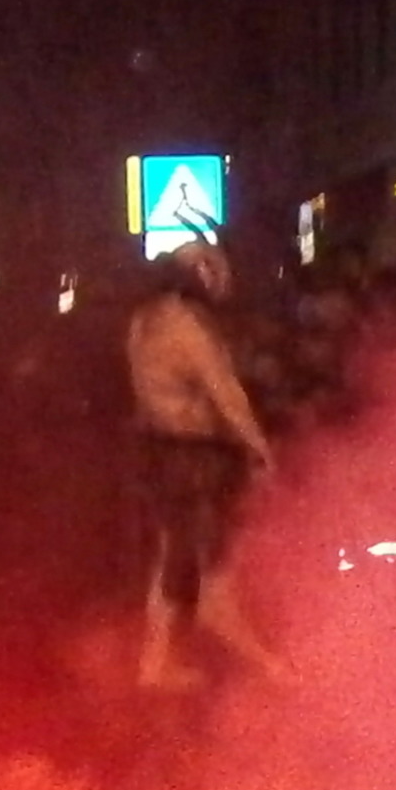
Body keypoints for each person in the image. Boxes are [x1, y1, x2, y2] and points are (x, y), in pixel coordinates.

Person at [125, 239, 285, 688]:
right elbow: (226, 393)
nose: (223, 278)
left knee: (171, 558)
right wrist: (259, 448)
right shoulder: (186, 325)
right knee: (211, 562)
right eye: (214, 268)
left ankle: (154, 665)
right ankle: (264, 663)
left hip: (159, 453)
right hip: (193, 458)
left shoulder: (144, 320)